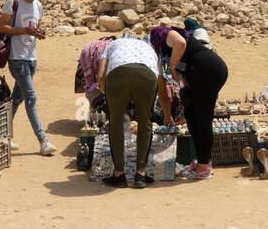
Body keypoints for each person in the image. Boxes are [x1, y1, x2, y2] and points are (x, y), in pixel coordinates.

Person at [0, 0, 56, 156]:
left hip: (32, 57)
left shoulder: (38, 5)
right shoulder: (13, 1)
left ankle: (1, 136)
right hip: (17, 58)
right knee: (31, 98)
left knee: (17, 99)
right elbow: (2, 27)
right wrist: (25, 30)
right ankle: (43, 141)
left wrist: (38, 33)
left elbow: (34, 28)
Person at [168, 19, 229, 180]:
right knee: (194, 117)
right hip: (202, 77)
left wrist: (173, 67)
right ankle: (203, 162)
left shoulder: (183, 45)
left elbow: (182, 63)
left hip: (205, 77)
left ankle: (204, 166)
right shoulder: (192, 48)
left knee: (203, 120)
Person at [97, 34, 160, 187]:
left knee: (116, 122)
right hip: (147, 75)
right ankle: (141, 175)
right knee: (145, 122)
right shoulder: (149, 48)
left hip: (118, 73)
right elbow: (159, 77)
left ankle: (119, 174)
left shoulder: (113, 44)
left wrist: (109, 95)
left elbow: (100, 77)